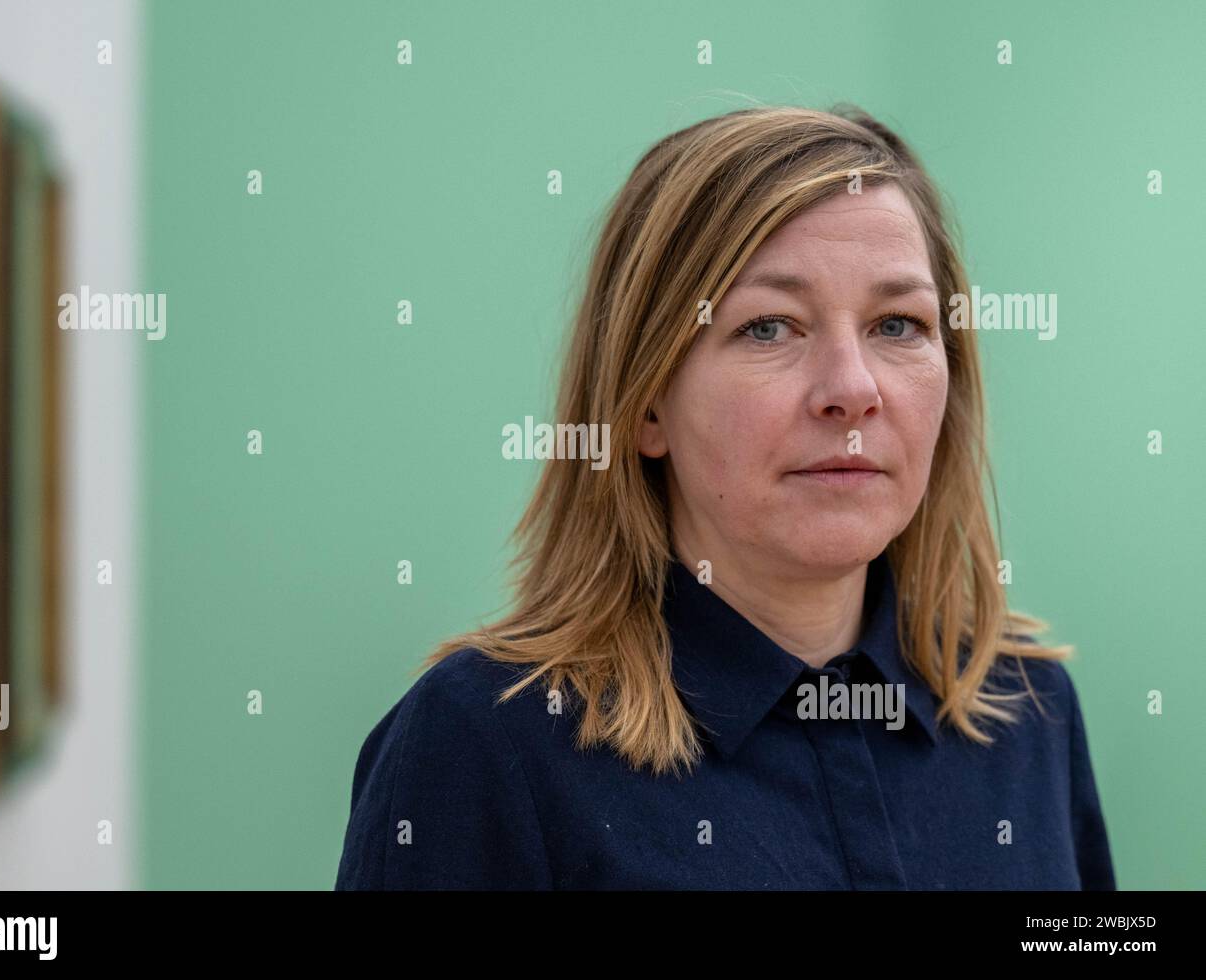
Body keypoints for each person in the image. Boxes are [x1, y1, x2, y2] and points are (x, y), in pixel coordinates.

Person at [334, 104, 1117, 890]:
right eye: (769, 327)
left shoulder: (1028, 711)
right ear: (644, 404)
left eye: (898, 325)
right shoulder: (483, 743)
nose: (852, 390)